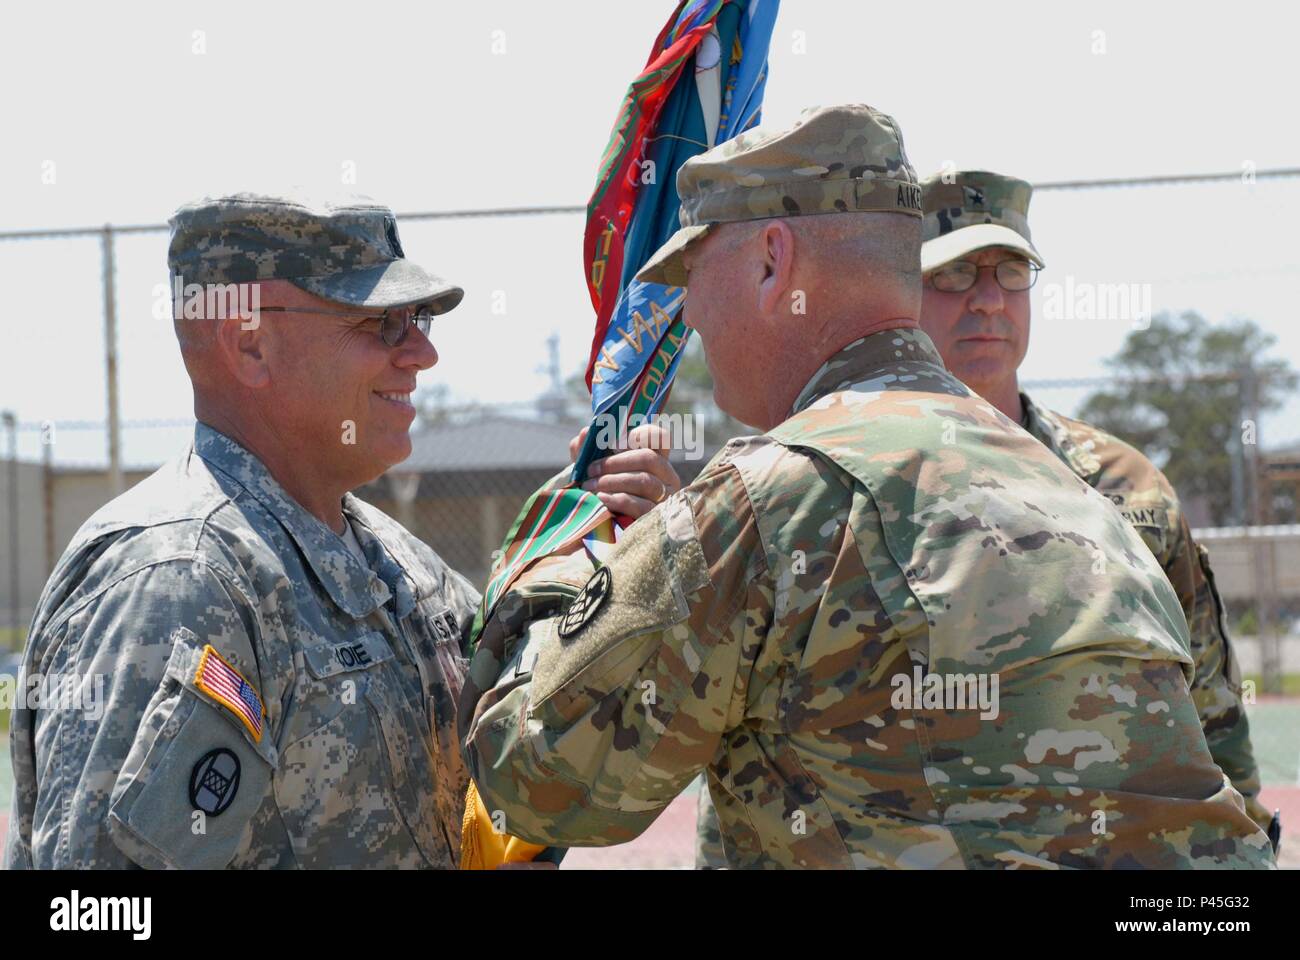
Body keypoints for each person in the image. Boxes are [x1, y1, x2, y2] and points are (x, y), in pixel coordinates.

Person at [458, 105, 1275, 869]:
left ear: (774, 260)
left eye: (695, 272)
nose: (690, 314)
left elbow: (542, 783)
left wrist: (553, 564)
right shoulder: (1080, 492)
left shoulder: (765, 499)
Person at [2, 192, 674, 869]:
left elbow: (537, 784)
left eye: (417, 319)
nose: (420, 354)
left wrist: (627, 565)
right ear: (251, 344)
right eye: (381, 324)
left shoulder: (402, 566)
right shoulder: (179, 581)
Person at [915, 168, 1273, 841]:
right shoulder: (853, 478)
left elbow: (1209, 709)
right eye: (956, 275)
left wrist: (1242, 846)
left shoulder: (1122, 486)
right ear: (902, 294)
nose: (989, 300)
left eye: (1011, 272)